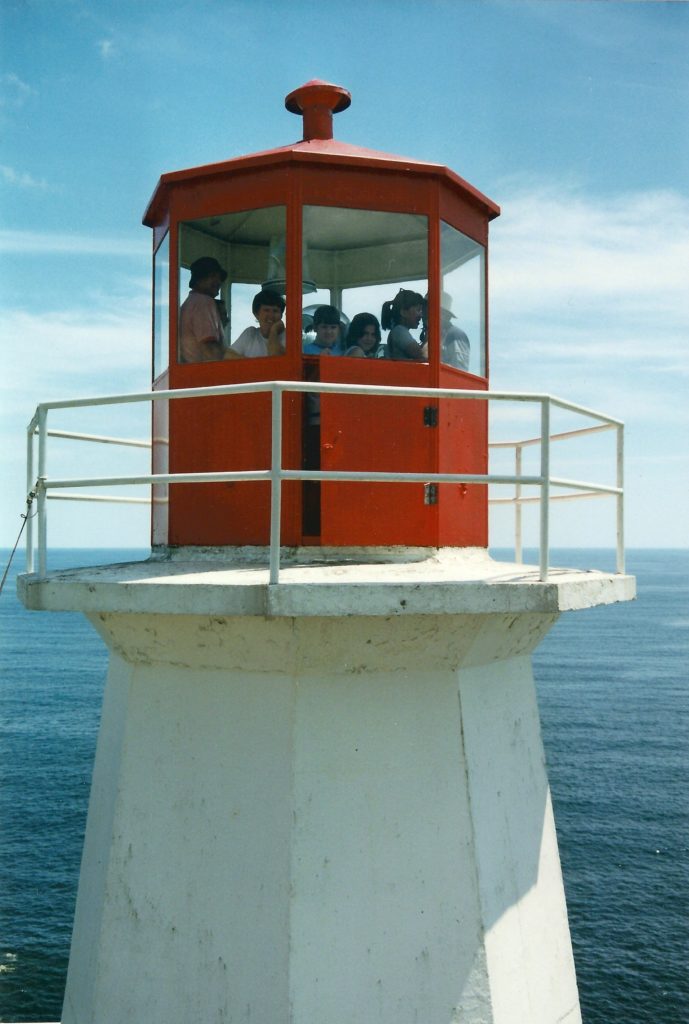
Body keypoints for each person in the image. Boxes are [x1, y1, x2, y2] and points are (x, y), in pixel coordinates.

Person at [178, 257, 228, 363]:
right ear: (198, 279)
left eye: (219, 278)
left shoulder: (188, 304)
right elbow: (210, 349)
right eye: (212, 276)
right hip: (206, 375)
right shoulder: (203, 302)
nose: (218, 282)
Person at [228, 288, 286, 358]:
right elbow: (228, 355)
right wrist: (253, 366)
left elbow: (275, 359)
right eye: (266, 310)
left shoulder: (288, 336)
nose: (271, 315)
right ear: (256, 314)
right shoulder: (250, 333)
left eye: (275, 311)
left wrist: (273, 332)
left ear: (281, 315)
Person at [381, 289, 427, 361]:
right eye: (418, 310)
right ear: (403, 312)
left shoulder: (398, 331)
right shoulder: (399, 331)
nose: (421, 315)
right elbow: (421, 354)